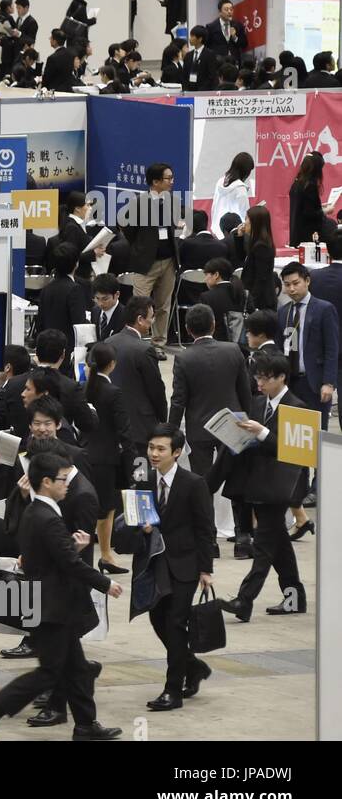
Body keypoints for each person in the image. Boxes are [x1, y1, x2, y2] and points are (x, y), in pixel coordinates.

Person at [0, 452, 124, 741]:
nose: (67, 484)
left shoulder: (35, 512)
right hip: (52, 608)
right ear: (46, 482)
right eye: (61, 479)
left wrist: (69, 546)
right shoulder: (47, 517)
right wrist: (104, 583)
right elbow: (68, 563)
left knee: (78, 669)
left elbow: (46, 556)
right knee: (49, 673)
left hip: (52, 605)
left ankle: (86, 726)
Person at [117, 425, 216, 711]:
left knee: (174, 623)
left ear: (177, 452)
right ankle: (193, 666)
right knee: (158, 619)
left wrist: (205, 569)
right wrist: (142, 530)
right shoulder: (144, 481)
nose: (154, 454)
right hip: (154, 563)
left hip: (185, 564)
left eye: (161, 449)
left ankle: (172, 690)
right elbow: (131, 528)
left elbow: (204, 529)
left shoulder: (193, 483)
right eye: (151, 448)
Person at [218, 354, 308, 623]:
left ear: (281, 377)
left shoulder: (298, 407)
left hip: (281, 486)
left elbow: (296, 453)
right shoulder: (258, 404)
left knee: (265, 545)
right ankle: (295, 597)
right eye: (257, 377)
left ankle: (244, 600)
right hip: (257, 483)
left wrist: (263, 434)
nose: (259, 383)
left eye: (264, 378)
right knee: (279, 543)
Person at [170, 303, 253, 479]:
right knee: (237, 482)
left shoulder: (183, 358)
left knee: (202, 485)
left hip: (199, 429)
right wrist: (249, 422)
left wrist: (172, 431)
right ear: (214, 324)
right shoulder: (233, 350)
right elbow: (245, 391)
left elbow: (179, 401)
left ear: (187, 329)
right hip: (233, 425)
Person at [122, 163, 181, 357]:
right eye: (168, 178)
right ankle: (135, 343)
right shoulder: (139, 202)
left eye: (172, 177)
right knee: (140, 305)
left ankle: (158, 345)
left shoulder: (171, 200)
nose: (172, 182)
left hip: (169, 260)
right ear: (155, 181)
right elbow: (126, 227)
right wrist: (140, 247)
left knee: (163, 305)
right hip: (146, 262)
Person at [81, 344, 131, 573]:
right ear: (112, 365)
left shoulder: (83, 389)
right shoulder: (114, 392)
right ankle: (105, 555)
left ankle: (98, 556)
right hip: (106, 458)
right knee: (106, 509)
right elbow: (124, 431)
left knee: (88, 508)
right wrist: (132, 460)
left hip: (83, 454)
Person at [278, 262, 339, 444]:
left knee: (319, 437)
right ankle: (301, 474)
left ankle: (319, 473)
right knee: (296, 440)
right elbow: (282, 347)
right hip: (292, 382)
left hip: (316, 383)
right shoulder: (283, 312)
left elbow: (332, 348)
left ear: (307, 281)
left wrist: (329, 382)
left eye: (296, 283)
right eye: (287, 285)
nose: (292, 289)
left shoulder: (324, 309)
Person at [102, 297, 167, 454]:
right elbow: (156, 389)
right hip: (140, 428)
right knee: (141, 475)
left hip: (113, 424)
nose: (152, 321)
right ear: (140, 319)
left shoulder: (108, 342)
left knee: (121, 476)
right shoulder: (145, 350)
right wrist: (162, 418)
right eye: (151, 317)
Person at [34, 243, 88, 376]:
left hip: (47, 352)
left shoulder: (46, 289)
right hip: (67, 353)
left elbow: (39, 322)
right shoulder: (75, 289)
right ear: (76, 264)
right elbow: (79, 325)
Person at [239, 204, 279, 311]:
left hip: (261, 302)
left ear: (255, 222)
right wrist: (239, 237)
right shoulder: (256, 242)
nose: (244, 222)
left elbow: (261, 278)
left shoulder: (262, 246)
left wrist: (252, 303)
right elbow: (241, 257)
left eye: (247, 219)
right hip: (256, 298)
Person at [199, 258, 247, 344]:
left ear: (216, 275)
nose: (205, 279)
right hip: (242, 347)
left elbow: (202, 326)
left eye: (206, 275)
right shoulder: (244, 294)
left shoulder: (207, 297)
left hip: (216, 346)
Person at [288, 151, 324, 246]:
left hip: (296, 234)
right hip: (308, 237)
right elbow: (310, 213)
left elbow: (303, 208)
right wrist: (324, 211)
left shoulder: (296, 185)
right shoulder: (309, 186)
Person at [206, 0, 248, 67]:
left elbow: (244, 44)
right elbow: (207, 46)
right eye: (226, 9)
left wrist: (235, 37)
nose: (229, 12)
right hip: (218, 63)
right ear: (219, 12)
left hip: (234, 62)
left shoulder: (238, 25)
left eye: (231, 9)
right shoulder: (211, 27)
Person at [182, 25, 219, 92]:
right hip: (189, 90)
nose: (190, 39)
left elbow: (211, 75)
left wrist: (201, 90)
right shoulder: (188, 55)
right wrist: (185, 88)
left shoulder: (209, 54)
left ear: (200, 39)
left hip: (204, 91)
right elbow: (184, 74)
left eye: (192, 36)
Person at [91, 273, 125, 342]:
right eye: (97, 298)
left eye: (105, 299)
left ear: (117, 294)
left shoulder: (126, 314)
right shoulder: (95, 311)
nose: (100, 304)